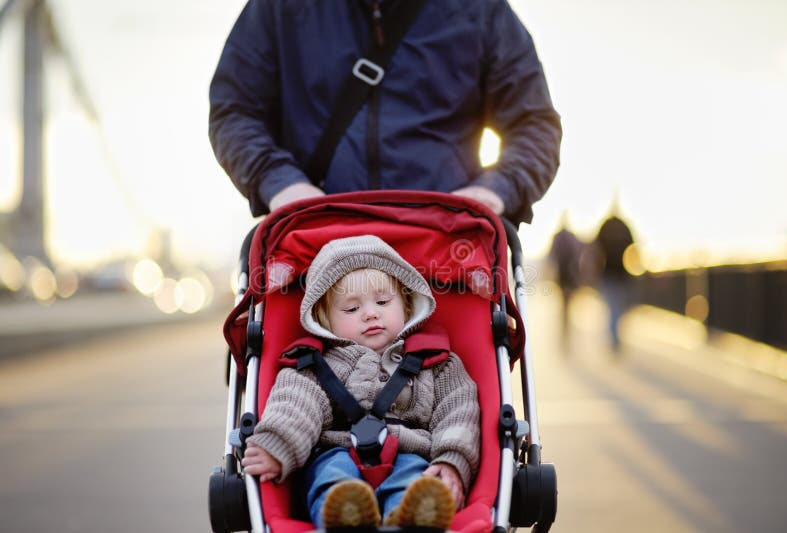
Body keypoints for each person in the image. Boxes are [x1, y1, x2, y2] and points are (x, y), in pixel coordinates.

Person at [209, 0, 561, 225]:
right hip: (315, 234)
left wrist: (494, 190)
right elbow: (235, 110)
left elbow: (534, 124)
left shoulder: (480, 9)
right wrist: (283, 185)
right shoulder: (278, 8)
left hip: (446, 239)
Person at [241, 235, 480, 529]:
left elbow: (458, 411)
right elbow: (295, 405)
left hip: (410, 452)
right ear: (324, 320)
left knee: (415, 477)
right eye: (352, 309)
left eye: (383, 302)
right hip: (337, 451)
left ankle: (411, 517)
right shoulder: (316, 365)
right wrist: (277, 444)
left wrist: (451, 460)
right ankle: (345, 518)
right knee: (331, 476)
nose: (370, 313)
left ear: (406, 305)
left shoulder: (435, 361)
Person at [593, 204, 636, 353]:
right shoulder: (623, 225)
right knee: (618, 307)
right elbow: (633, 246)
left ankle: (614, 338)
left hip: (608, 273)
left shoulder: (606, 225)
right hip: (621, 273)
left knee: (612, 307)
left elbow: (596, 248)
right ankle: (615, 339)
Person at [547, 212, 584, 349]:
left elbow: (551, 256)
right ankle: (566, 330)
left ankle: (564, 330)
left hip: (562, 276)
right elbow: (579, 254)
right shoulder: (572, 237)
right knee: (567, 303)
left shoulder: (557, 237)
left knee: (564, 304)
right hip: (570, 276)